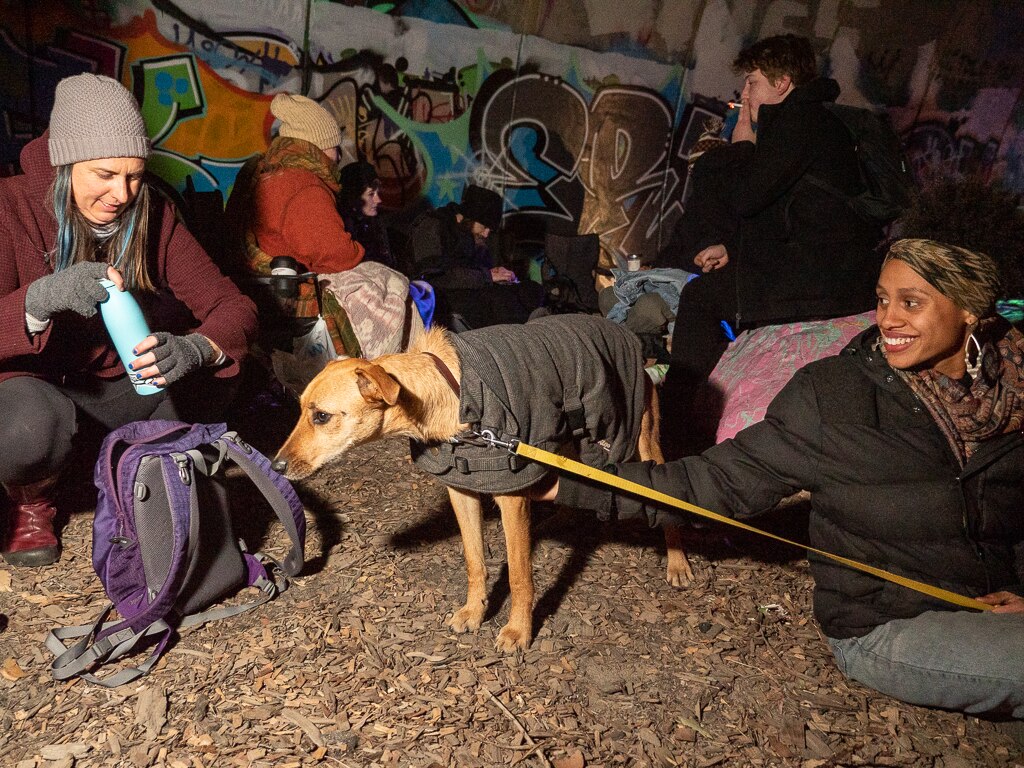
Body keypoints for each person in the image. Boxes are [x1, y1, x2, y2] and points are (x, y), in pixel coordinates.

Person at [538, 239, 1024, 718]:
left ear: (969, 311)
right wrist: (567, 483)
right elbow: (714, 482)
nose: (888, 319)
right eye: (882, 299)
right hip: (890, 623)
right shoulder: (835, 396)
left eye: (910, 303)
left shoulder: (1013, 393)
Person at [0, 73, 257, 567]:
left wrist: (196, 348)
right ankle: (31, 499)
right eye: (104, 174)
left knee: (197, 378)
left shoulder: (150, 213)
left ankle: (134, 483)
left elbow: (234, 307)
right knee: (27, 427)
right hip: (26, 393)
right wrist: (38, 300)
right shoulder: (9, 206)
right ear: (64, 164)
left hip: (106, 387)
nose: (122, 193)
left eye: (134, 175)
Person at [660, 34, 884, 456]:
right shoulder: (819, 123)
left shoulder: (798, 122)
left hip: (824, 283)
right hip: (827, 269)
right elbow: (791, 214)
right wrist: (734, 251)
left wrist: (740, 145)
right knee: (708, 292)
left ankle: (677, 447)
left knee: (700, 299)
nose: (745, 94)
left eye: (752, 82)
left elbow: (744, 198)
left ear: (781, 84)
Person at [243, 93, 363, 355]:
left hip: (265, 289)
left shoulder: (268, 172)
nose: (339, 155)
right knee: (391, 288)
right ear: (317, 146)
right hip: (297, 297)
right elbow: (338, 256)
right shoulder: (304, 185)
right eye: (334, 146)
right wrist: (359, 250)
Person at [409, 184, 544, 330]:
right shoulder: (432, 226)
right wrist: (487, 276)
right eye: (484, 227)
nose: (486, 234)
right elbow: (436, 277)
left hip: (467, 289)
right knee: (499, 301)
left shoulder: (469, 234)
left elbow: (473, 271)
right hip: (439, 296)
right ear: (470, 216)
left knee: (530, 290)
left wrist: (496, 274)